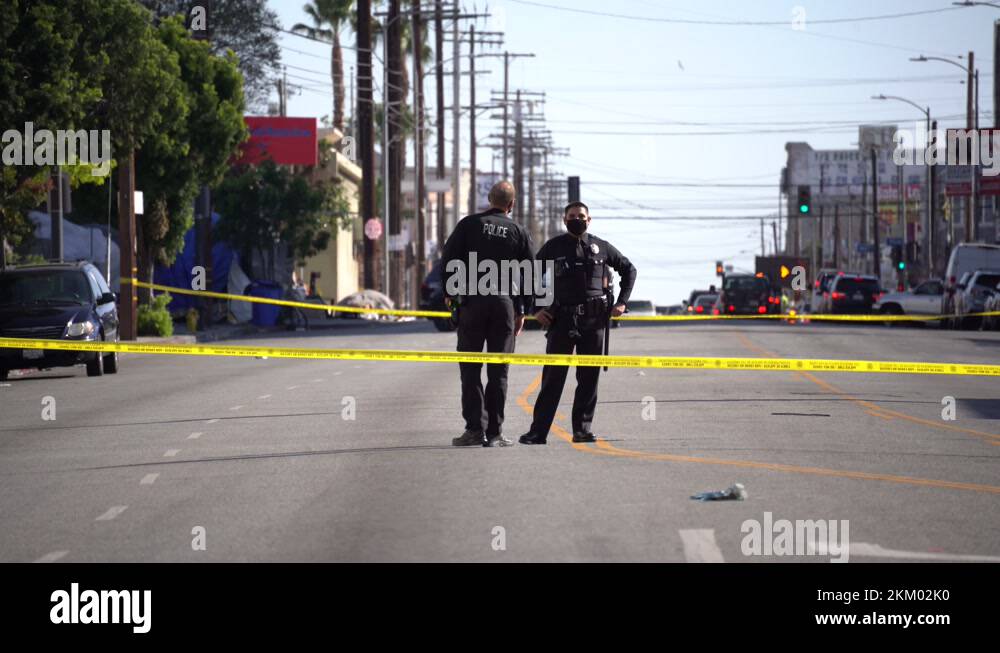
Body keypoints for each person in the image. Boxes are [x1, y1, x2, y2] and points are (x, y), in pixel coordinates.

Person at [519, 201, 636, 445]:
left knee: (588, 378)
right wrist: (536, 308)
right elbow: (528, 275)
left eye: (580, 216)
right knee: (552, 379)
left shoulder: (601, 247)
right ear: (564, 220)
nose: (576, 219)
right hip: (561, 320)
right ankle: (537, 432)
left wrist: (622, 303)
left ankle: (582, 430)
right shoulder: (554, 247)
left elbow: (629, 270)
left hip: (594, 321)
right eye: (571, 216)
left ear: (589, 219)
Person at [441, 181, 535, 447]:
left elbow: (448, 258)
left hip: (472, 303)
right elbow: (530, 272)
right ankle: (494, 434)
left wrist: (450, 293)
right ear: (512, 204)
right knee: (499, 372)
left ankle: (473, 430)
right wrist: (523, 310)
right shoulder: (518, 231)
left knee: (470, 369)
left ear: (489, 200)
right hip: (503, 305)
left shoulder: (468, 225)